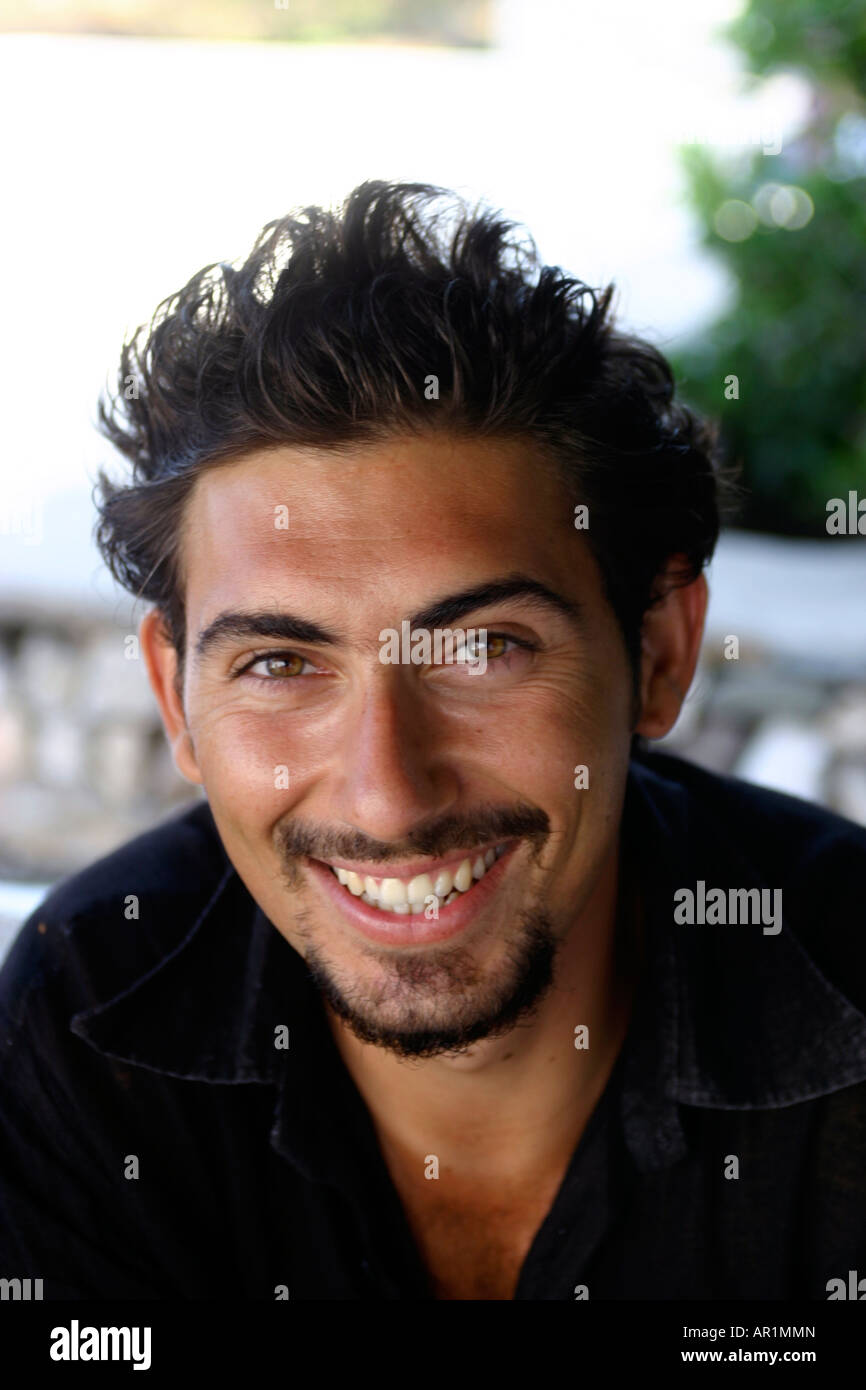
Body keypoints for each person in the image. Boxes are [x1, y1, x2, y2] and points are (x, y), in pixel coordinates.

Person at [1, 180, 864, 1301]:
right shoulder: (85, 1016)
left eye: (483, 650)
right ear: (175, 699)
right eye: (279, 663)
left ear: (656, 652)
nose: (386, 797)